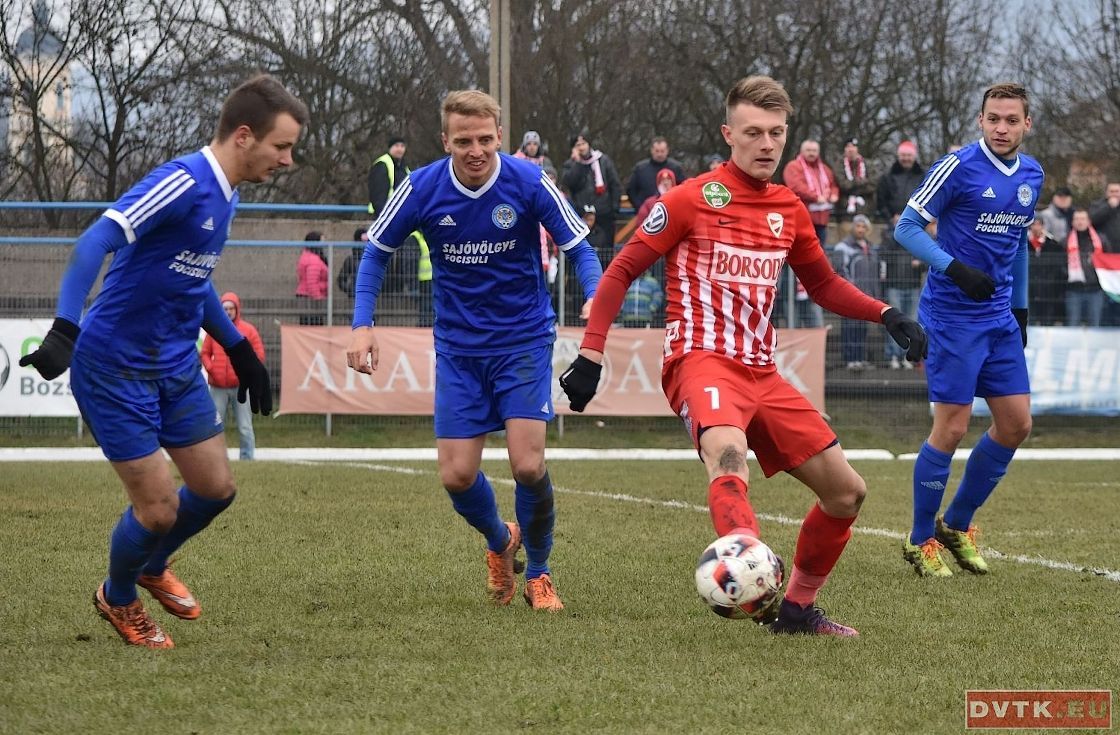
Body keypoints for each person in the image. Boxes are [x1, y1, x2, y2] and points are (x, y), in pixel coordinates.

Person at [559, 75, 927, 637]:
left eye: (777, 132)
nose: (767, 144)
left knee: (847, 492)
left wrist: (887, 314)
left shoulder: (790, 208)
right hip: (700, 360)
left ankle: (798, 612)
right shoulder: (688, 198)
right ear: (728, 134)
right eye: (753, 132)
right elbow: (620, 271)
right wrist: (590, 354)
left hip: (762, 370)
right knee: (729, 456)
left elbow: (824, 286)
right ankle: (750, 577)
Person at [19, 74, 306, 647]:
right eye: (282, 146)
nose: (288, 160)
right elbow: (93, 243)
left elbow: (194, 278)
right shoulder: (181, 181)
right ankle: (118, 597)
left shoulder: (229, 194)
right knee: (158, 509)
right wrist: (65, 327)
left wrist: (238, 349)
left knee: (216, 489)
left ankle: (151, 567)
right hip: (113, 365)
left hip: (174, 364)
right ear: (244, 137)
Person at [346, 90, 603, 612]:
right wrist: (361, 325)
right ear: (446, 141)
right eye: (463, 141)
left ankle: (541, 573)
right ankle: (500, 540)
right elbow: (375, 252)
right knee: (456, 475)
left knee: (528, 465)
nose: (475, 150)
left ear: (500, 138)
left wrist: (596, 296)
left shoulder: (528, 181)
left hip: (523, 341)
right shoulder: (420, 187)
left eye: (485, 139)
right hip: (459, 349)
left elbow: (579, 246)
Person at [894, 82, 1043, 577]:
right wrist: (954, 268)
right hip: (953, 318)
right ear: (980, 121)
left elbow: (1019, 244)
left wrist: (1019, 311)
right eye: (993, 119)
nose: (1002, 128)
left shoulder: (1032, 174)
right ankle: (919, 540)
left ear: (1027, 124)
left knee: (1017, 424)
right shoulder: (956, 166)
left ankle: (955, 525)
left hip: (999, 318)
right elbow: (906, 227)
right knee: (952, 427)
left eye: (1011, 120)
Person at [368, 136, 433, 314]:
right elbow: (379, 195)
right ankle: (399, 287)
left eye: (402, 145)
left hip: (401, 219)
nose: (400, 149)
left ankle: (402, 286)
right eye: (396, 145)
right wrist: (385, 220)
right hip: (389, 219)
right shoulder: (383, 164)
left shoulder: (403, 167)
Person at [201, 292, 265, 460]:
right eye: (225, 309)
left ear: (237, 309)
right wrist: (211, 368)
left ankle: (247, 458)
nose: (228, 311)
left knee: (245, 426)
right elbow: (205, 353)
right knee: (215, 425)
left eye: (231, 308)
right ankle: (216, 459)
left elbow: (258, 354)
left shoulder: (248, 331)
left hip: (240, 387)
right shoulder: (214, 330)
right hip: (217, 386)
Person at [831, 214, 882, 369]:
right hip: (850, 296)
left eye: (863, 227)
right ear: (853, 227)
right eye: (858, 226)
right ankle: (850, 359)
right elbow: (839, 271)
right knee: (850, 328)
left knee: (862, 329)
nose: (860, 229)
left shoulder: (871, 248)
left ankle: (860, 358)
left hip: (867, 296)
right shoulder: (842, 247)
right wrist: (850, 290)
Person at [562, 129, 622, 242]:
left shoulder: (603, 160)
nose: (581, 147)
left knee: (605, 251)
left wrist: (614, 209)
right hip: (581, 215)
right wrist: (578, 163)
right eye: (577, 145)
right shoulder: (569, 165)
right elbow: (570, 183)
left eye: (583, 144)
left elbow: (615, 184)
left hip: (604, 213)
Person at [1064, 208, 1105, 327]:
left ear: (1088, 221)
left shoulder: (1100, 240)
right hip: (1074, 290)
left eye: (1082, 219)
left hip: (1095, 290)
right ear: (1072, 222)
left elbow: (1107, 259)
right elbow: (1060, 263)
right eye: (1077, 219)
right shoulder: (1065, 240)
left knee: (1095, 325)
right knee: (1072, 324)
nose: (1080, 222)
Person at [626, 136, 686, 214]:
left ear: (667, 151)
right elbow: (631, 190)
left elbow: (684, 189)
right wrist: (640, 208)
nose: (659, 154)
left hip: (672, 212)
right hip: (646, 213)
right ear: (652, 150)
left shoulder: (676, 168)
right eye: (657, 151)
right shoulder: (640, 168)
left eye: (662, 151)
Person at [1026, 218, 1065, 325]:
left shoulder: (1053, 245)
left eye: (1039, 225)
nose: (1036, 227)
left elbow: (1058, 267)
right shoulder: (1024, 244)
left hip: (1048, 290)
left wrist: (1050, 279)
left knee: (1048, 319)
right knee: (1030, 318)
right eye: (1034, 225)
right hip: (1029, 288)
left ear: (1043, 226)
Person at [876, 140, 923, 223]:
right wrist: (891, 217)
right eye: (903, 155)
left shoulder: (923, 176)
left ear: (914, 156)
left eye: (909, 155)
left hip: (918, 222)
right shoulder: (887, 177)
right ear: (898, 156)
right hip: (893, 223)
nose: (906, 158)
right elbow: (881, 201)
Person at [296, 231, 328, 325]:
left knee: (307, 326)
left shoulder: (307, 256)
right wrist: (318, 299)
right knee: (314, 326)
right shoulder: (313, 260)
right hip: (311, 299)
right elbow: (312, 283)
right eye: (321, 241)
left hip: (307, 298)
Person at [336, 227, 368, 301]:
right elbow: (341, 280)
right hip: (356, 298)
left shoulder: (377, 259)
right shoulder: (351, 260)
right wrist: (351, 290)